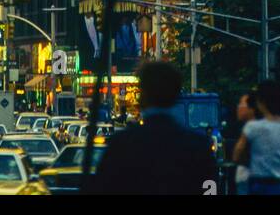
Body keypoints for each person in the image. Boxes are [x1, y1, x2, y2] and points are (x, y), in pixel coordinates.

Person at [90, 60, 218, 195]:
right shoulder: (199, 146)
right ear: (176, 94)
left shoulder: (122, 144)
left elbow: (103, 187)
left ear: (143, 95)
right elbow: (210, 188)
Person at [231, 80, 280, 196]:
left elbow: (237, 156)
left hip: (257, 184)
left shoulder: (252, 127)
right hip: (279, 185)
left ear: (261, 102)